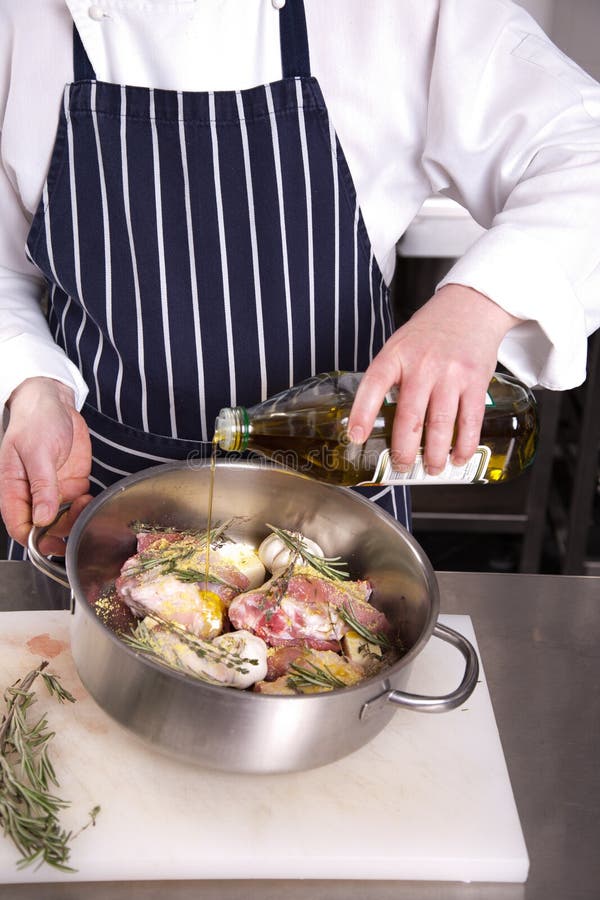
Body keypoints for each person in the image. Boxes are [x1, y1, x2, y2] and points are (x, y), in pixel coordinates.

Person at [1, 0, 600, 558]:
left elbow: (584, 148)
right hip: (95, 501)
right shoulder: (19, 20)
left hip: (335, 512)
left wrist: (475, 307)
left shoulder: (402, 13)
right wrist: (31, 382)